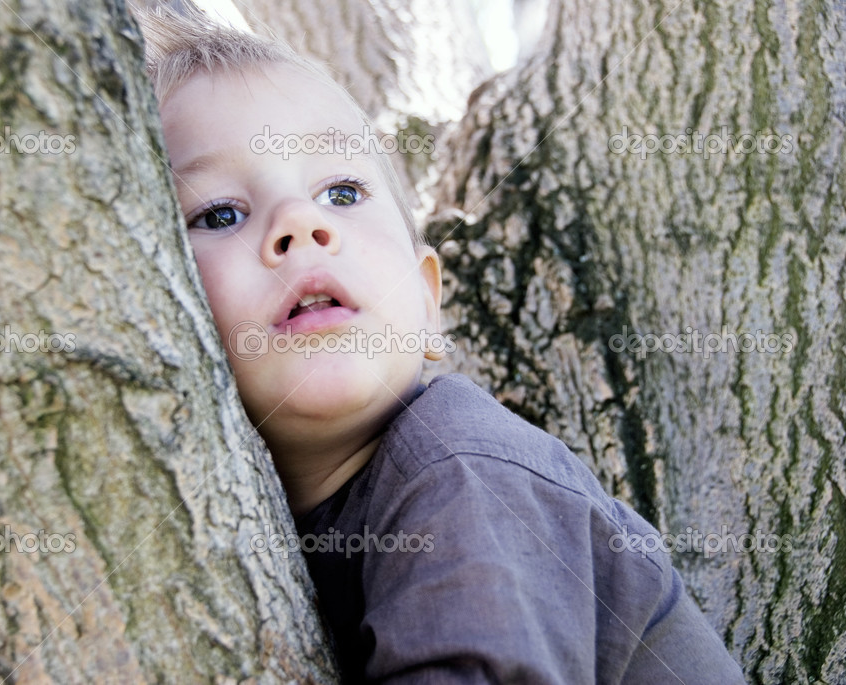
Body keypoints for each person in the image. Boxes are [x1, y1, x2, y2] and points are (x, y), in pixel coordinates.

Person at [135, 5, 746, 683]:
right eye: (220, 213)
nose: (300, 223)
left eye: (342, 191)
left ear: (429, 303)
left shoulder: (463, 468)